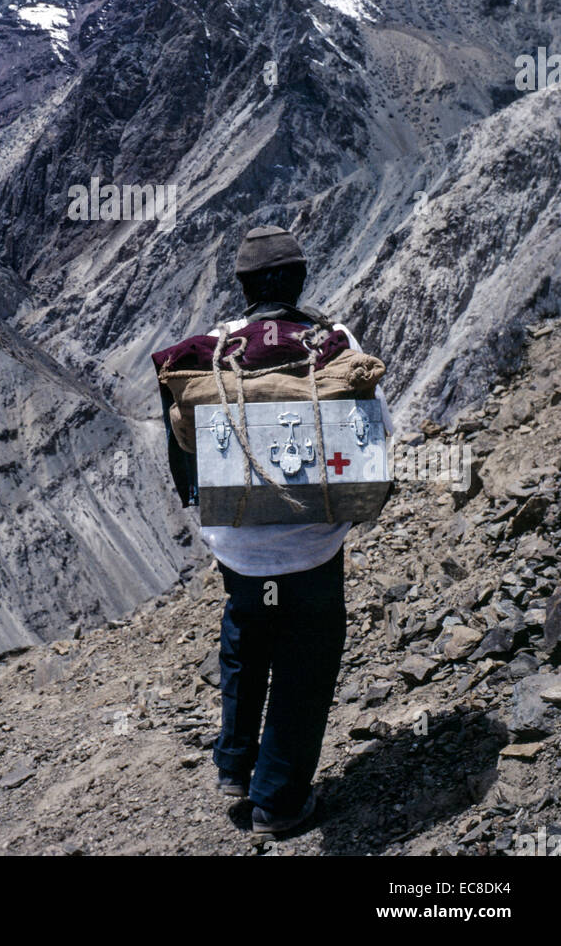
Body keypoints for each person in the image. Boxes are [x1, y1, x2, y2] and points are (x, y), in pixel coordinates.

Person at [187, 225, 392, 838]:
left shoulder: (214, 351)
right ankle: (277, 803)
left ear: (243, 287)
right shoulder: (334, 343)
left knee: (247, 633)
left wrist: (213, 521)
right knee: (305, 660)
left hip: (240, 550)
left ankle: (235, 764)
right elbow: (377, 430)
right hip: (311, 551)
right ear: (300, 279)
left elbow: (183, 449)